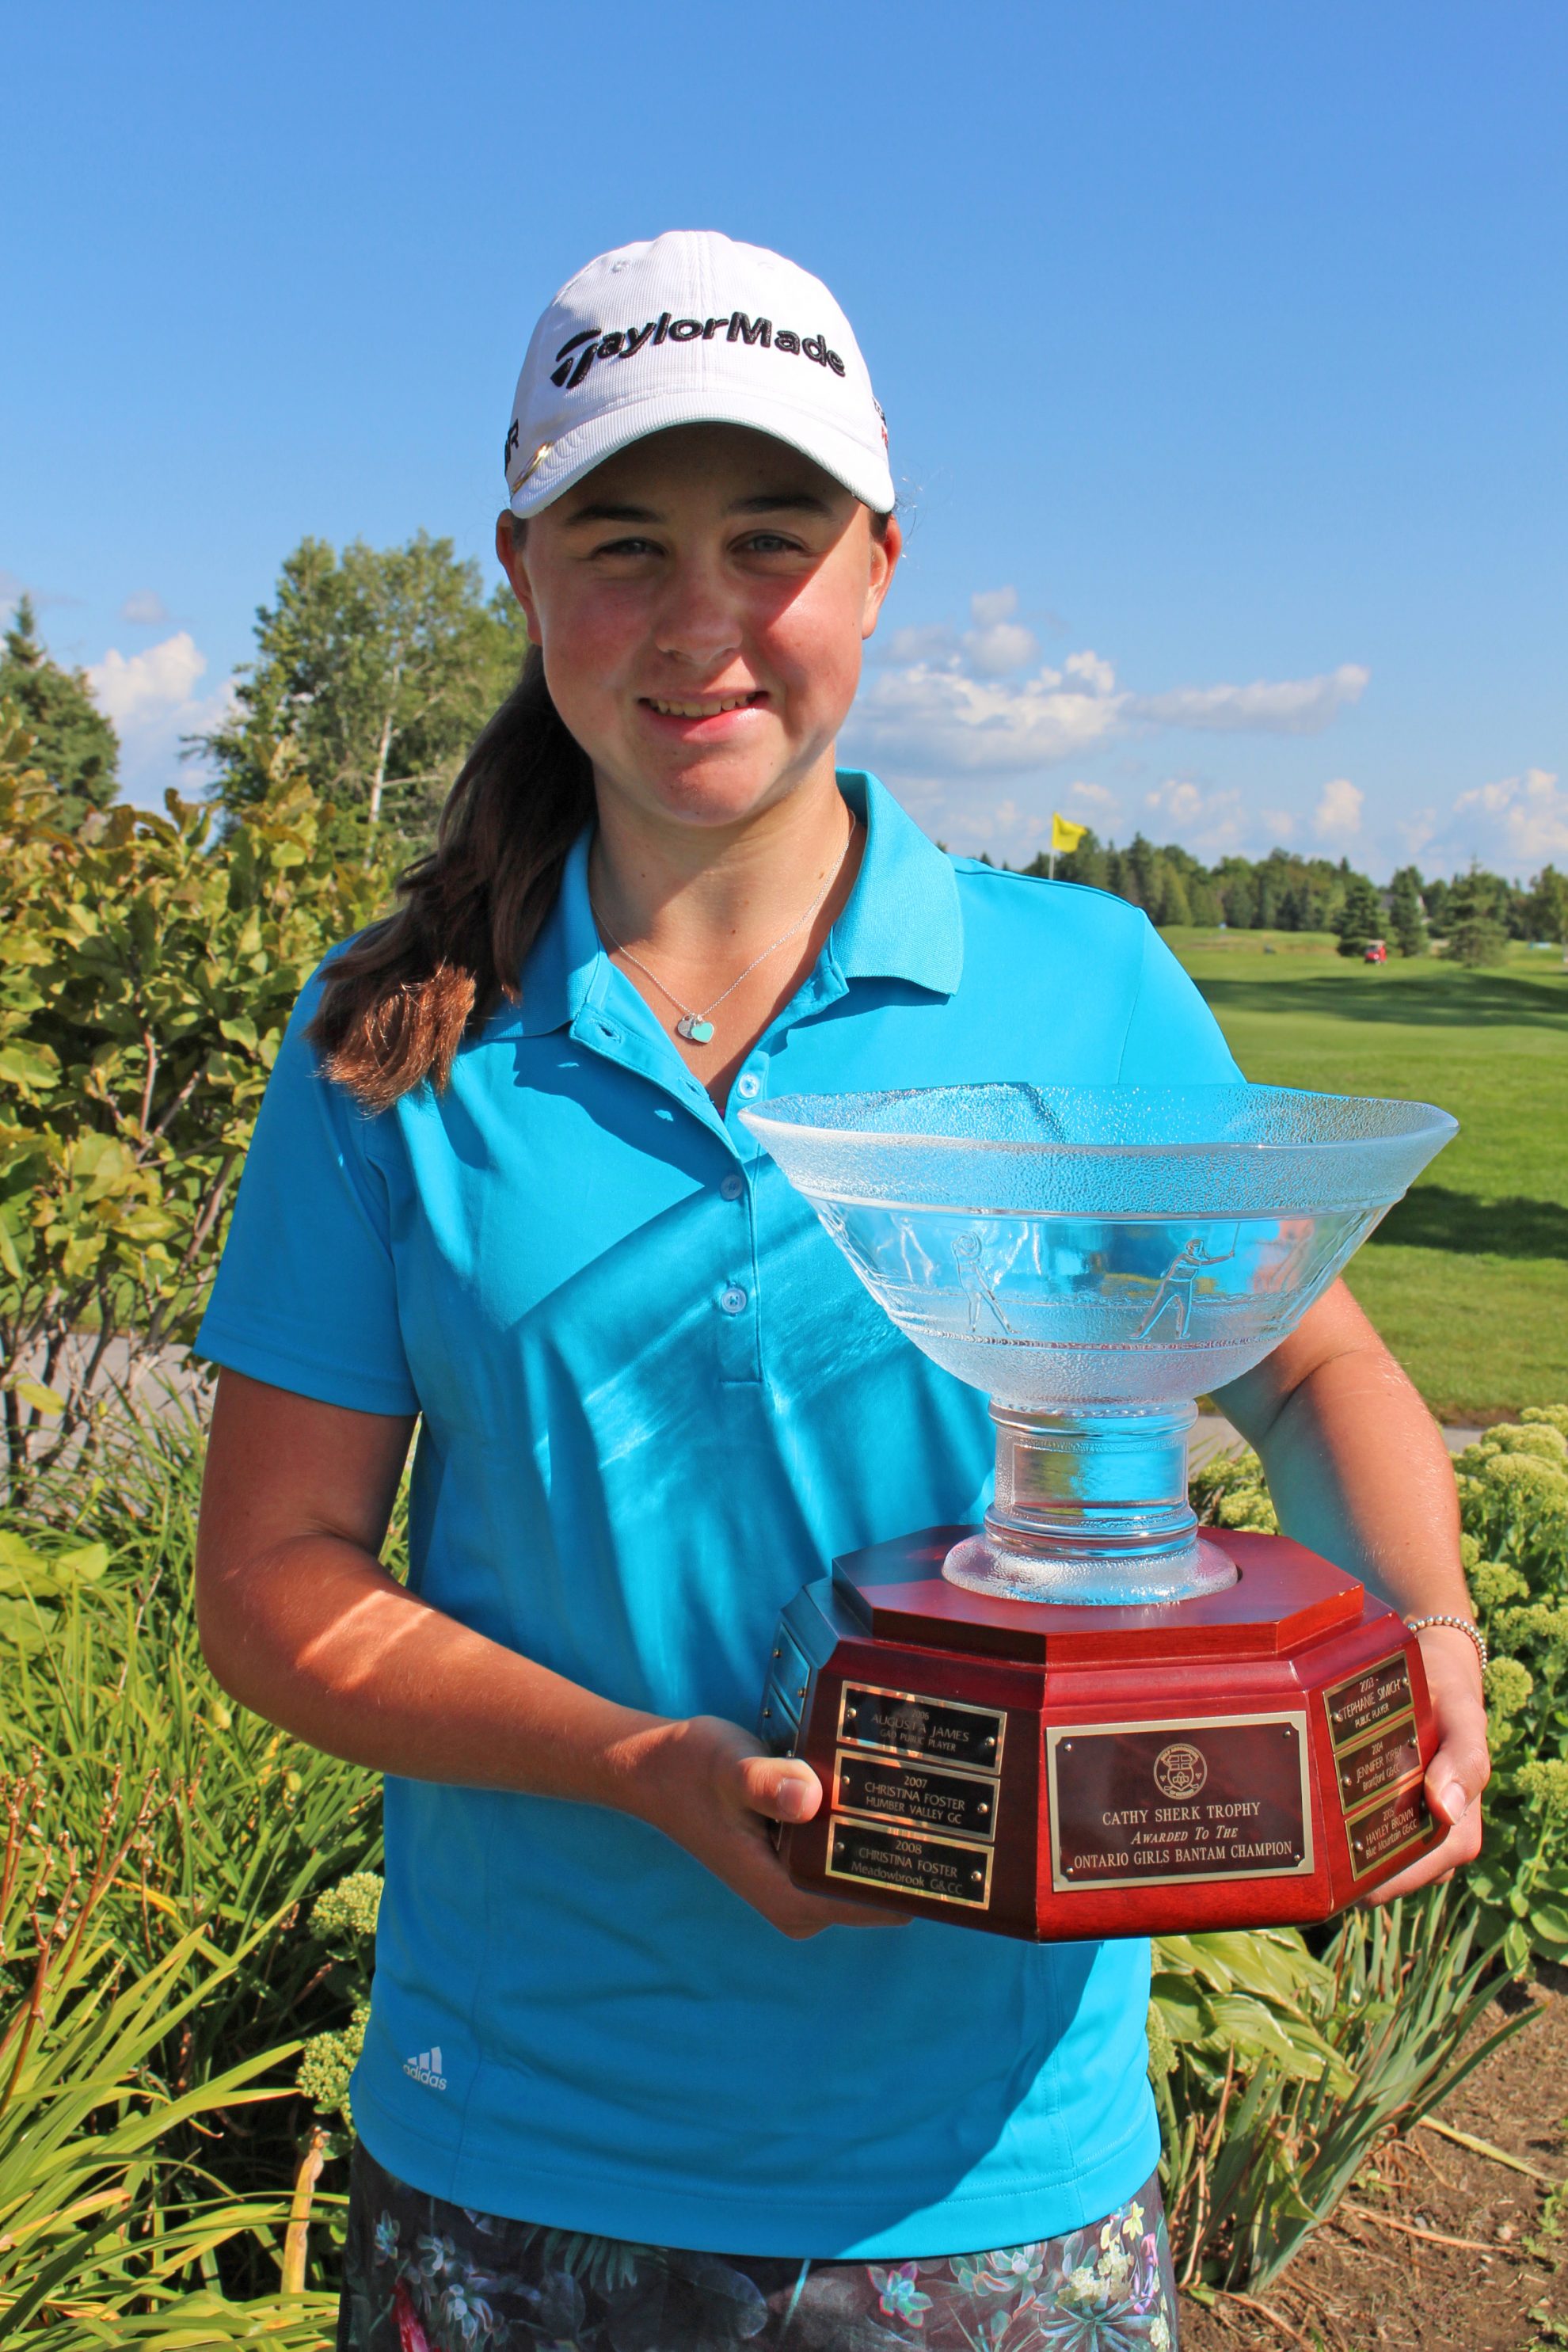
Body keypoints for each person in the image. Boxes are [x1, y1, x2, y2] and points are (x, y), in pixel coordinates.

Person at [194, 231, 1488, 2352]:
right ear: (519, 573)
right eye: (622, 544)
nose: (701, 625)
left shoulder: (1085, 989)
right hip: (517, 2162)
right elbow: (273, 1577)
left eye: (770, 541)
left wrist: (1421, 1629)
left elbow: (1303, 1365)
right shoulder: (393, 1041)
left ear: (879, 567)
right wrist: (639, 1762)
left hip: (993, 2178)